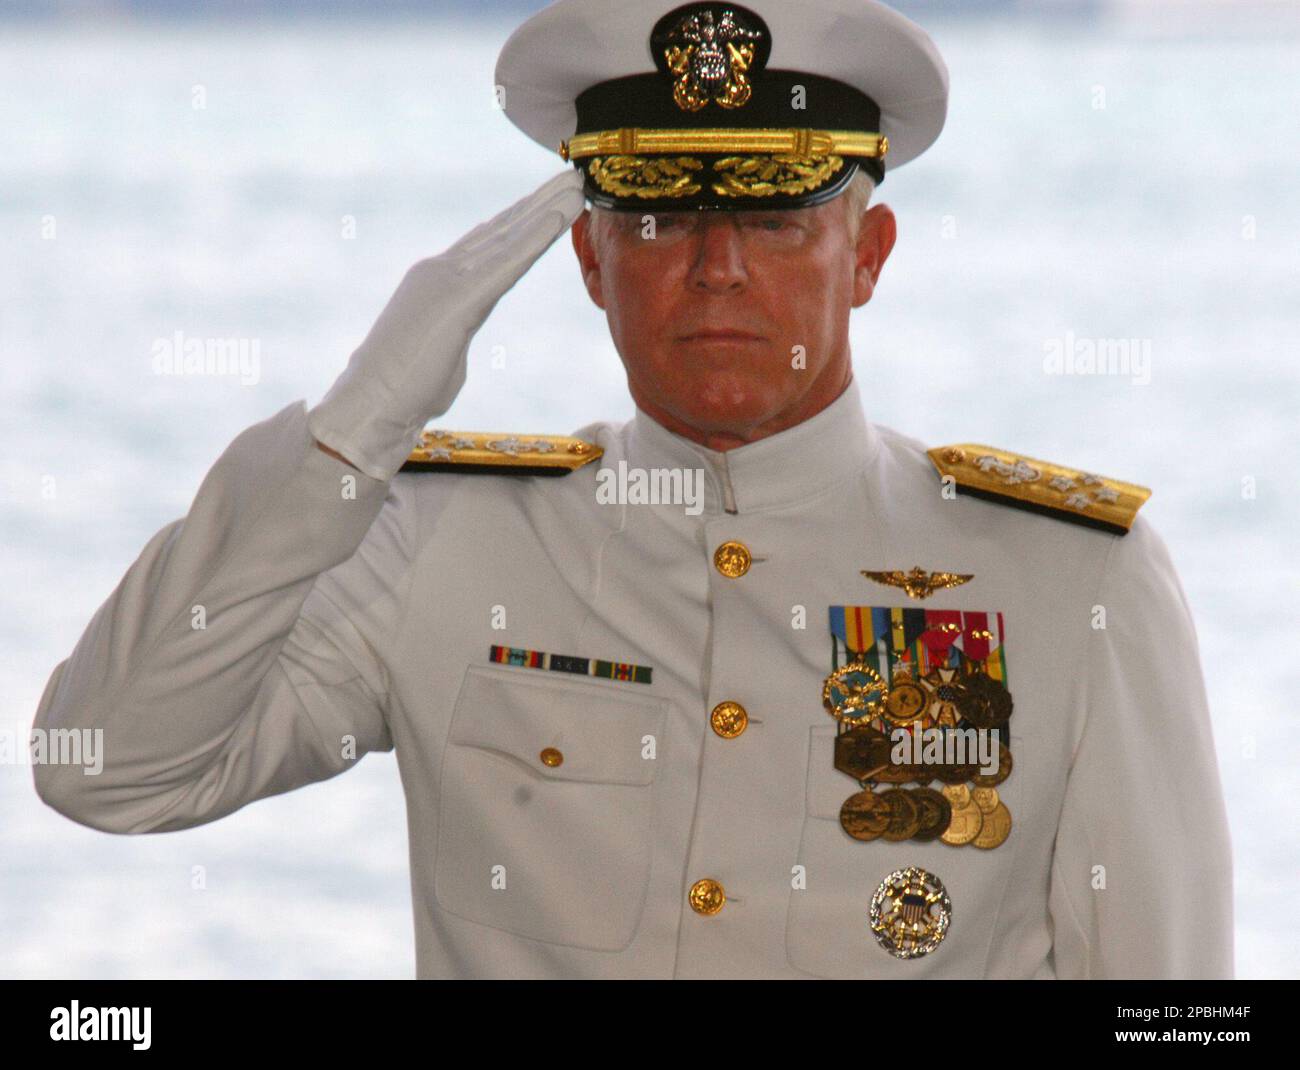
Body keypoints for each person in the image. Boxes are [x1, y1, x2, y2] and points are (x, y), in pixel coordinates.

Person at [32, 0, 1233, 978]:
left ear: (866, 257)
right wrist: (352, 430)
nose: (716, 268)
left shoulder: (1074, 576)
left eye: (776, 215)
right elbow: (111, 770)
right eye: (658, 217)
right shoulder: (441, 542)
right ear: (589, 261)